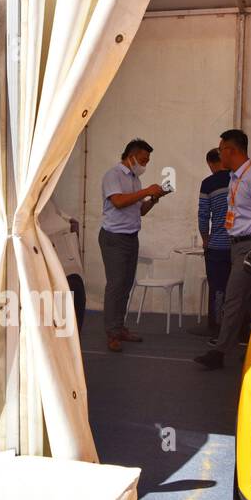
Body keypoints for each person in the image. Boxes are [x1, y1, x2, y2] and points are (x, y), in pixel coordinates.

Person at [194, 129, 251, 370]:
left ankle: (219, 351)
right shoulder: (234, 178)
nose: (219, 153)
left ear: (232, 150)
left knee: (233, 298)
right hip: (240, 245)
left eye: (221, 149)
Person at [99, 138, 166, 352]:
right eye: (143, 160)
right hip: (114, 237)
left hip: (130, 237)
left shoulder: (135, 180)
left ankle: (119, 327)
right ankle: (112, 333)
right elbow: (118, 201)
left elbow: (139, 210)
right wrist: (146, 190)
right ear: (131, 156)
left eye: (147, 161)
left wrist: (154, 198)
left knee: (126, 285)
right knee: (116, 285)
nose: (145, 165)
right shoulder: (113, 175)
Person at [194, 148, 231, 337]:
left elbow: (203, 216)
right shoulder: (238, 179)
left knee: (217, 288)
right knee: (236, 290)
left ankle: (216, 327)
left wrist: (205, 239)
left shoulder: (208, 184)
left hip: (217, 245)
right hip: (238, 245)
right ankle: (236, 329)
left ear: (211, 163)